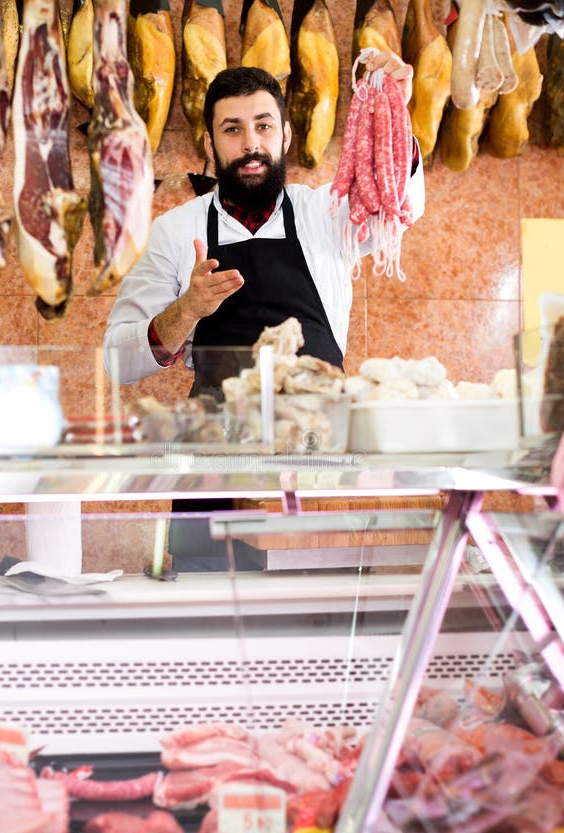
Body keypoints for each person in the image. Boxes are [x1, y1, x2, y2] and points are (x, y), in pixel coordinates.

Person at [104, 56, 425, 569]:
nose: (250, 143)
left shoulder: (327, 213)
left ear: (285, 134)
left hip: (317, 456)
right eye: (232, 129)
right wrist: (185, 311)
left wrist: (394, 113)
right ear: (209, 143)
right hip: (214, 462)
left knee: (319, 619)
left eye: (262, 126)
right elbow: (116, 360)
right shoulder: (171, 232)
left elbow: (399, 204)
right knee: (206, 623)